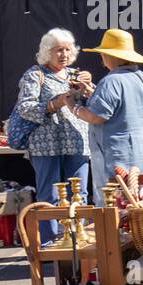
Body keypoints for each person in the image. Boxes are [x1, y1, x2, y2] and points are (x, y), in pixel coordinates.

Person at [14, 29, 92, 244]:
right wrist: (53, 104)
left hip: (76, 142)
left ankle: (80, 242)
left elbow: (91, 107)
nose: (64, 55)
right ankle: (50, 243)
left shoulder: (74, 75)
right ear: (47, 52)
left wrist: (88, 88)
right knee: (50, 196)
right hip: (45, 145)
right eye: (59, 50)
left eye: (68, 50)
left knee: (80, 194)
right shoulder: (34, 75)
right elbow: (25, 108)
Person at [72, 29, 143, 203]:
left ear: (110, 56)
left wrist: (73, 107)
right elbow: (120, 104)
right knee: (140, 201)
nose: (102, 58)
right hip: (140, 151)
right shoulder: (139, 76)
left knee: (114, 206)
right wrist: (92, 93)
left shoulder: (111, 81)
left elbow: (96, 117)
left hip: (117, 156)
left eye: (103, 54)